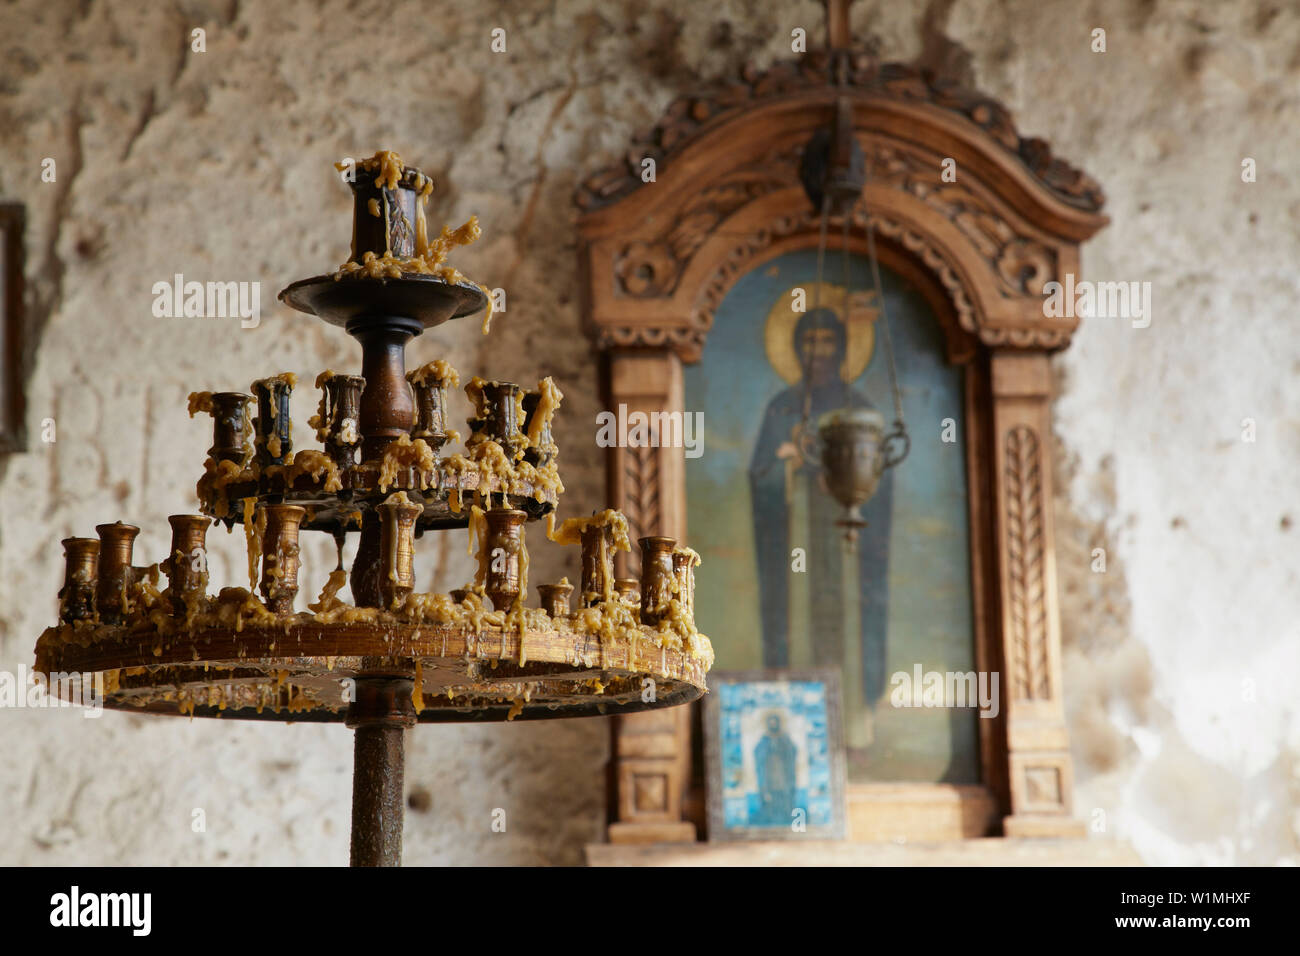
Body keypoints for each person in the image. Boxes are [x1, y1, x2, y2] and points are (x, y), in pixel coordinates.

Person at [747, 307, 892, 749]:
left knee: (845, 620)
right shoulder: (782, 407)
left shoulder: (860, 409)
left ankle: (852, 730)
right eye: (810, 342)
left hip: (844, 547)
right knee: (794, 619)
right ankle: (795, 730)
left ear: (843, 348)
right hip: (795, 544)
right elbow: (760, 476)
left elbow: (881, 484)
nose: (819, 353)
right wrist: (785, 464)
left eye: (828, 342)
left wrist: (841, 481)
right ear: (795, 348)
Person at [753, 712, 798, 825]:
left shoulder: (785, 738)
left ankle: (785, 814)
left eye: (775, 722)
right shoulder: (764, 739)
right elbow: (758, 752)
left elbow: (792, 751)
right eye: (771, 723)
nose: (773, 725)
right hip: (769, 773)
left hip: (782, 773)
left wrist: (782, 749)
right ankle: (770, 815)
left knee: (783, 794)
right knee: (770, 795)